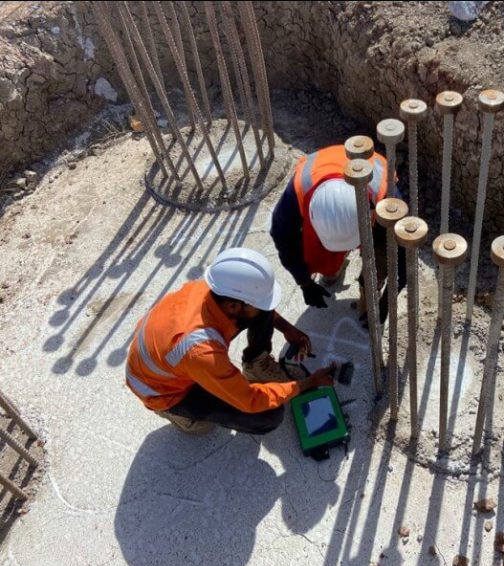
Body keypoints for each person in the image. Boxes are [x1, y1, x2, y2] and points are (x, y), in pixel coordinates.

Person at [124, 247, 336, 435]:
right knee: (269, 415)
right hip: (164, 392)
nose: (263, 307)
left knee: (259, 311)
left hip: (171, 359)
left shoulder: (209, 290)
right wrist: (308, 383)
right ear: (232, 306)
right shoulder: (201, 351)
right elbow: (251, 400)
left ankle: (255, 365)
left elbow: (261, 310)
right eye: (256, 303)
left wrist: (287, 328)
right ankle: (181, 416)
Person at [270, 144, 405, 323]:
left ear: (370, 215)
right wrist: (304, 283)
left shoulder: (387, 200)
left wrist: (386, 302)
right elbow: (283, 241)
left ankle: (370, 293)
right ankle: (332, 266)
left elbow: (403, 263)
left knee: (380, 260)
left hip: (374, 207)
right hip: (326, 175)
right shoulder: (296, 194)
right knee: (315, 254)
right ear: (311, 217)